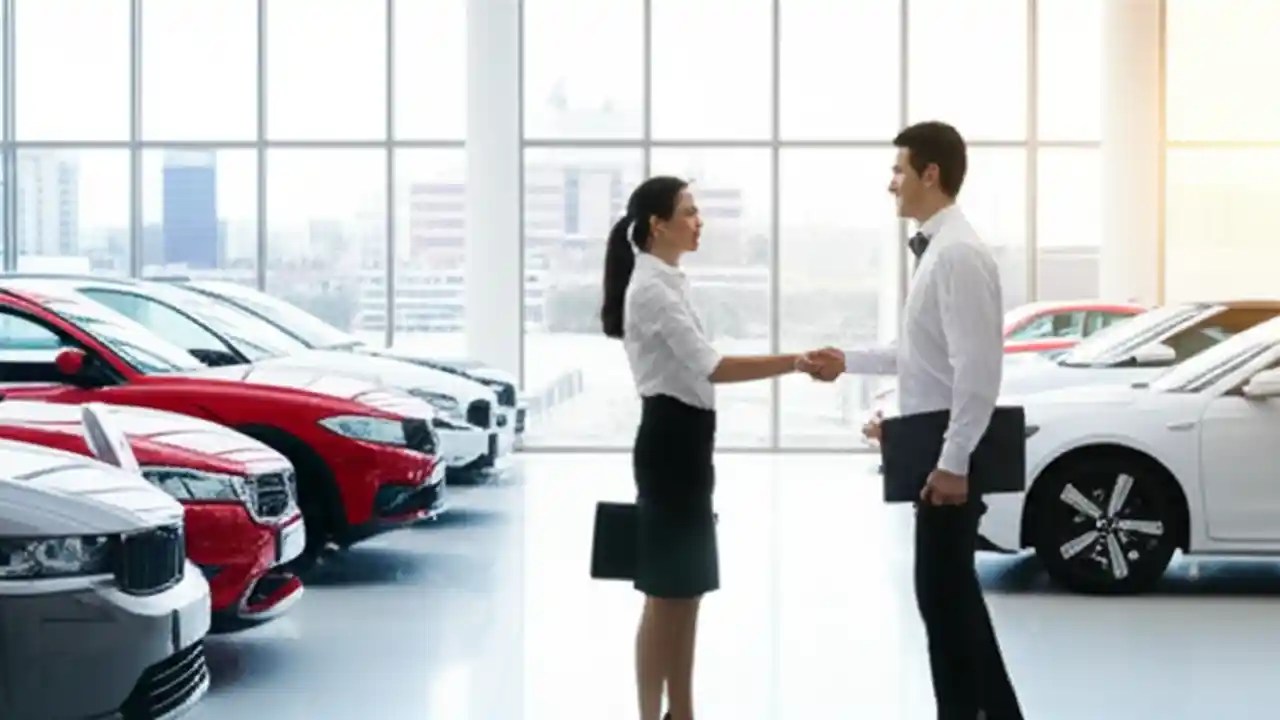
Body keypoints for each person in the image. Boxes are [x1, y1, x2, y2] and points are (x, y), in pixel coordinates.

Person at [802, 121, 1024, 719]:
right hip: (935, 451)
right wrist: (846, 361)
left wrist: (952, 466)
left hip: (947, 463)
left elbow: (978, 371)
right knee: (953, 601)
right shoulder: (941, 252)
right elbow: (920, 355)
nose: (891, 183)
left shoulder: (957, 255)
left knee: (943, 602)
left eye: (899, 170)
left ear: (931, 174)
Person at [601, 175, 822, 720]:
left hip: (687, 443)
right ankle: (657, 716)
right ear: (659, 224)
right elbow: (712, 366)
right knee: (666, 594)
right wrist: (795, 361)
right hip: (671, 444)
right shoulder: (652, 289)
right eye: (690, 211)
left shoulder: (668, 281)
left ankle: (682, 712)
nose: (700, 222)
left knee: (684, 592)